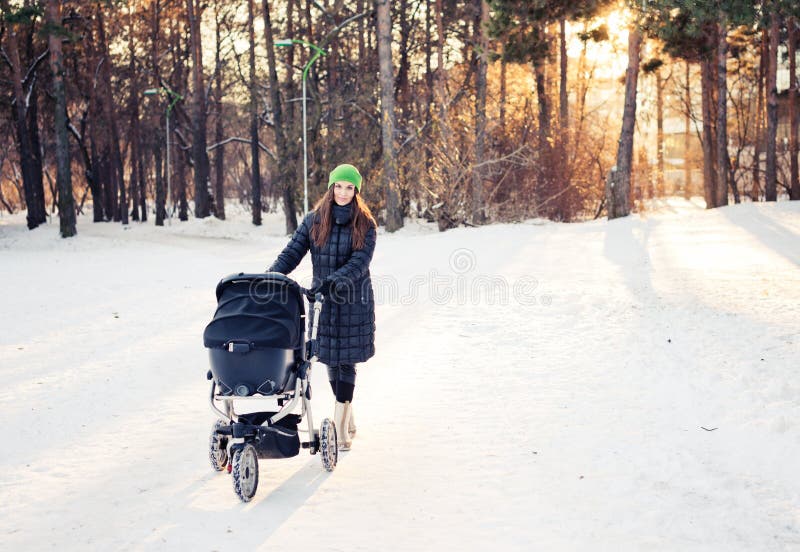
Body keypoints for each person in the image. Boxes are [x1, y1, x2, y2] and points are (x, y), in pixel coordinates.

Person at [267, 163, 377, 450]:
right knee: (329, 357)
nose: (343, 192)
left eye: (349, 187)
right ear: (331, 188)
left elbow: (359, 262)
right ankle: (347, 413)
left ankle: (340, 425)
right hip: (323, 301)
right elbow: (293, 251)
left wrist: (333, 281)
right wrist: (273, 275)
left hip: (354, 299)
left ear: (356, 191)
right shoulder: (313, 220)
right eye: (338, 186)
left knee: (346, 360)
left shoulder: (366, 224)